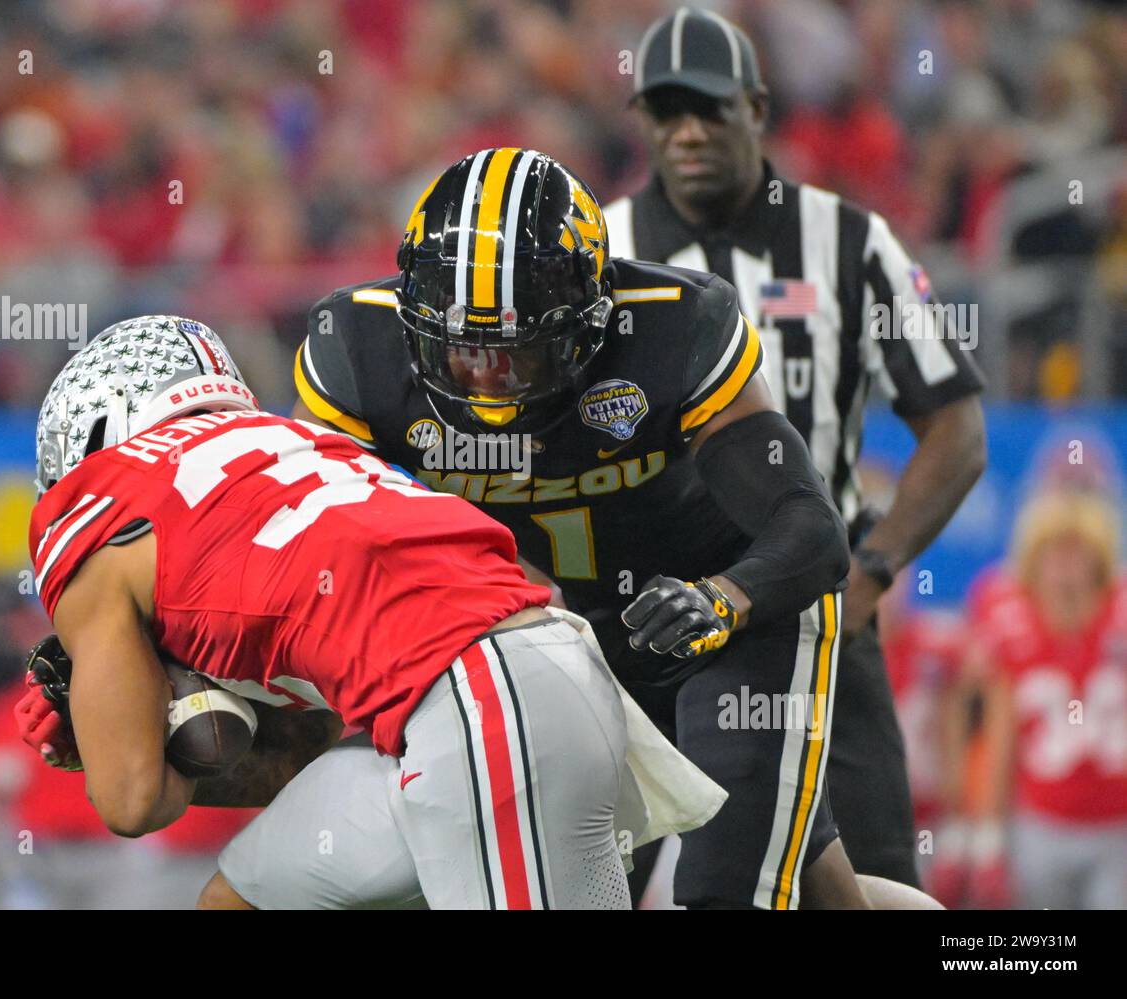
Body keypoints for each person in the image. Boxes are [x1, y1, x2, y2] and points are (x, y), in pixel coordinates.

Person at [289, 147, 886, 909]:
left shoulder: (675, 327)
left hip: (736, 617)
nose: (487, 378)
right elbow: (315, 543)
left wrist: (723, 598)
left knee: (728, 889)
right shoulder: (356, 346)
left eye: (518, 350)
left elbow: (809, 527)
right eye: (464, 348)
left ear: (591, 319)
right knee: (591, 889)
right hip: (576, 640)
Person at [20, 314, 639, 909]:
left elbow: (132, 803)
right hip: (511, 683)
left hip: (484, 701)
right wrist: (175, 734)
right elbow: (306, 751)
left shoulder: (91, 515)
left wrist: (126, 745)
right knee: (242, 899)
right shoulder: (295, 443)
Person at [602, 7, 987, 887]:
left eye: (709, 108)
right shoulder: (602, 250)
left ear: (758, 108)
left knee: (873, 869)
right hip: (643, 613)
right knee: (593, 874)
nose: (688, 131)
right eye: (666, 112)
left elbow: (956, 424)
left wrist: (876, 564)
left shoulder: (849, 241)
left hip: (812, 603)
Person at [965, 489, 1127, 909]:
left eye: (1078, 554)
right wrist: (988, 841)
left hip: (1118, 825)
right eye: (1055, 555)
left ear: (1101, 561)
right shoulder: (1009, 619)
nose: (1066, 570)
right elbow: (1000, 739)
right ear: (1032, 563)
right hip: (1041, 822)